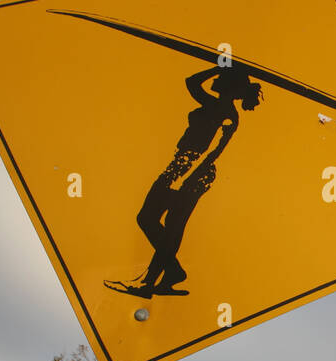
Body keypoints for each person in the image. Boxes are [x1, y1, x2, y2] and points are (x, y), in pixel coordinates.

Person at [105, 64, 262, 298]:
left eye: (220, 76)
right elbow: (191, 82)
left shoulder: (227, 113)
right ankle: (172, 271)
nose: (215, 79)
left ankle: (149, 282)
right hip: (182, 166)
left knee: (169, 225)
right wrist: (219, 66)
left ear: (229, 84)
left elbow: (213, 150)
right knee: (148, 219)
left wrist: (185, 179)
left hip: (194, 171)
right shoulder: (213, 104)